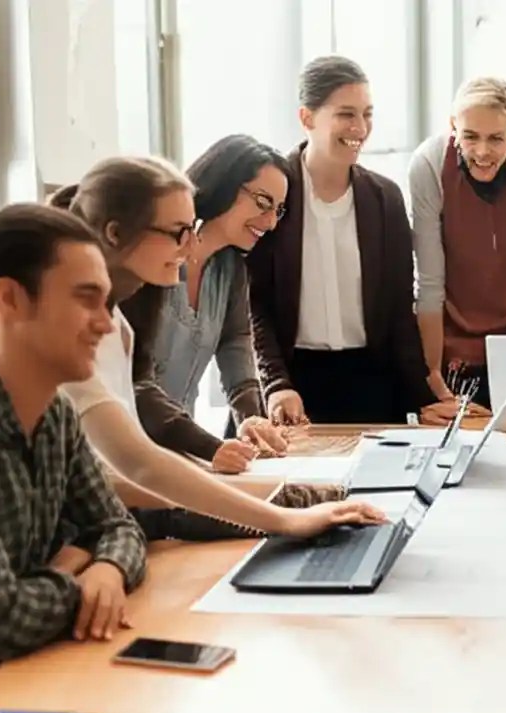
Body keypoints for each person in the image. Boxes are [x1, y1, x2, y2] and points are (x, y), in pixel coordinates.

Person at [50, 155, 386, 539]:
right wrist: (283, 515)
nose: (190, 246)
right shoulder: (74, 331)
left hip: (120, 515)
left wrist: (285, 502)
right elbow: (137, 466)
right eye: (179, 232)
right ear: (114, 233)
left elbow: (135, 467)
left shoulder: (120, 325)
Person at [0, 204, 147, 692]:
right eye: (86, 299)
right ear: (10, 299)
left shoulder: (55, 413)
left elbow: (117, 526)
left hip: (23, 676)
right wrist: (75, 579)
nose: (106, 325)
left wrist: (106, 567)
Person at [247, 55, 455, 426]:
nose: (360, 128)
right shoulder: (274, 194)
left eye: (367, 114)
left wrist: (421, 396)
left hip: (371, 384)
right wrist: (275, 383)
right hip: (293, 388)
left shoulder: (385, 199)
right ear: (307, 118)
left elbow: (397, 310)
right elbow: (254, 305)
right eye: (346, 114)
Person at [120, 134, 290, 473]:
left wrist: (252, 418)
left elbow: (234, 345)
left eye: (278, 210)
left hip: (179, 456)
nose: (271, 222)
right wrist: (211, 447)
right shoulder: (151, 260)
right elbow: (135, 383)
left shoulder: (231, 269)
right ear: (225, 183)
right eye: (262, 202)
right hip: (127, 455)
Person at [409, 76, 506, 409]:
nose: (482, 151)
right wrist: (431, 372)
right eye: (470, 136)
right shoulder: (428, 165)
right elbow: (430, 284)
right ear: (452, 126)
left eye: (496, 138)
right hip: (448, 344)